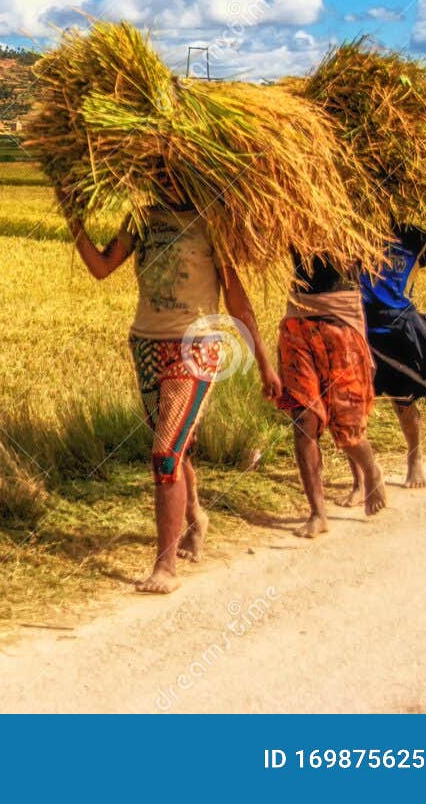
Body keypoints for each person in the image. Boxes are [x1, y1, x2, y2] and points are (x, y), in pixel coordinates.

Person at [69, 196, 280, 594]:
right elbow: (101, 267)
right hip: (146, 345)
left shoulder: (213, 220)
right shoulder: (139, 218)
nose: (164, 176)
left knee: (165, 454)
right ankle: (196, 515)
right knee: (176, 447)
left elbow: (235, 298)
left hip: (195, 347)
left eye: (170, 167)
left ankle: (164, 567)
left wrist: (264, 363)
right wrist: (73, 220)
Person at [350, 219, 426, 496]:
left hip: (397, 332)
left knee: (403, 403)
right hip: (357, 328)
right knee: (352, 405)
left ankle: (414, 457)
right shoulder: (352, 228)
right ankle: (360, 480)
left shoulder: (413, 237)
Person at [276, 251, 385, 537]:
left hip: (341, 322)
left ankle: (370, 471)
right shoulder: (296, 216)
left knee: (347, 423)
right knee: (303, 421)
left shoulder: (348, 220)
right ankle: (318, 513)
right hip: (298, 321)